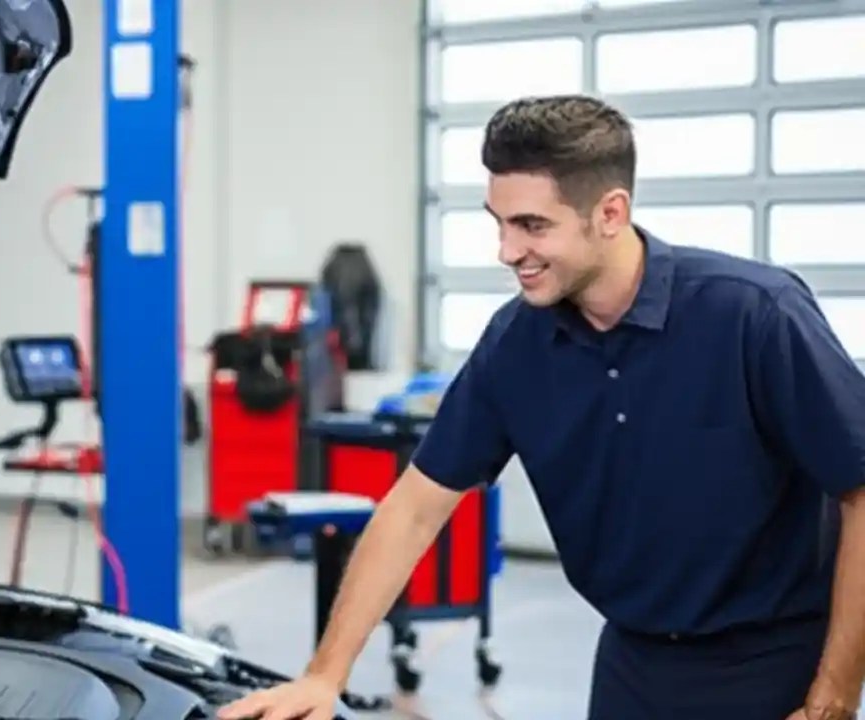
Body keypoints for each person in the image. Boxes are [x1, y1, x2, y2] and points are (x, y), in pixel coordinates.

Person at [217, 94, 865, 720]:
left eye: (532, 225)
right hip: (632, 663)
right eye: (498, 222)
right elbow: (415, 508)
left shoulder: (753, 314)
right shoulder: (517, 343)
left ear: (610, 213)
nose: (506, 251)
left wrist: (834, 697)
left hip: (774, 666)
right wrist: (325, 674)